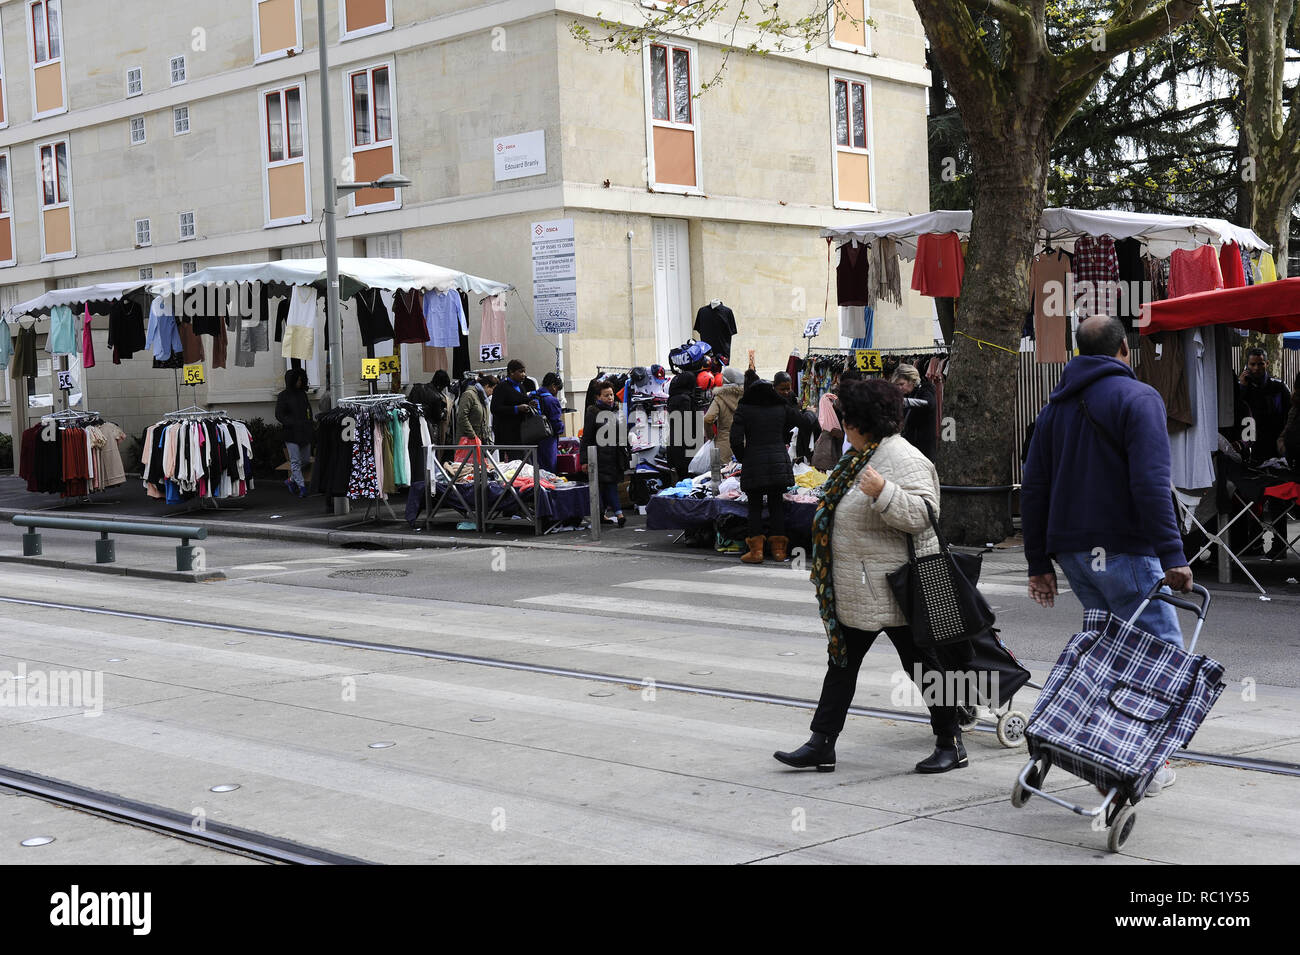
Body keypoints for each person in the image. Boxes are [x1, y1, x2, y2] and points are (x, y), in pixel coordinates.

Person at [1021, 314, 1192, 795]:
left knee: (1107, 655)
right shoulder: (1139, 398)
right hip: (1125, 548)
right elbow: (1151, 482)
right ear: (1124, 351)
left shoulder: (1054, 406)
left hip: (1074, 553)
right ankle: (1142, 764)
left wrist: (1038, 564)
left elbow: (1033, 488)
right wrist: (1173, 553)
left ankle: (1100, 751)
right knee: (1162, 657)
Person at [773, 379, 963, 773]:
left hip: (897, 588)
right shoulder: (861, 455)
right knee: (841, 664)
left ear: (864, 421)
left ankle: (951, 743)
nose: (843, 425)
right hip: (862, 588)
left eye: (847, 419)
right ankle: (822, 743)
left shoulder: (902, 458)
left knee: (923, 668)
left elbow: (924, 517)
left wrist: (884, 492)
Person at [731, 375, 804, 564]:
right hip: (778, 459)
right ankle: (779, 552)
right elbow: (798, 420)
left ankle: (756, 552)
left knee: (754, 506)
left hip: (754, 461)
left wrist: (743, 458)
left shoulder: (744, 409)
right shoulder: (780, 407)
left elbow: (735, 439)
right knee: (776, 504)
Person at [1235, 347, 1291, 467]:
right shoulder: (1242, 387)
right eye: (1253, 364)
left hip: (1274, 440)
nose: (1256, 368)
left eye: (1260, 364)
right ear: (1247, 366)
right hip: (1250, 441)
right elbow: (1235, 410)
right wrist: (1241, 388)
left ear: (1267, 364)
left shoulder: (1279, 387)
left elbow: (1290, 414)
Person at [583, 380, 627, 526]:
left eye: (612, 395)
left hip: (615, 456)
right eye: (606, 395)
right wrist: (584, 460)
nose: (610, 398)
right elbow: (587, 437)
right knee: (608, 485)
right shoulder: (593, 412)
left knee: (607, 486)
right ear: (598, 397)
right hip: (599, 456)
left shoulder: (616, 410)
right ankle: (619, 514)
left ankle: (602, 515)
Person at [275, 368, 313, 497]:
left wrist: (309, 424)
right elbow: (279, 415)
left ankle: (291, 480)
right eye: (298, 380)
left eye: (301, 380)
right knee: (296, 461)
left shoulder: (303, 394)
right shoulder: (283, 396)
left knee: (306, 460)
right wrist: (292, 422)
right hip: (291, 433)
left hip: (303, 432)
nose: (300, 382)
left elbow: (309, 412)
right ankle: (302, 487)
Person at [489, 359, 536, 459]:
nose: (523, 374)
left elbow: (522, 400)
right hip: (507, 435)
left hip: (522, 433)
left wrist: (529, 404)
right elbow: (495, 408)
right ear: (511, 372)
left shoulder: (522, 387)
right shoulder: (501, 388)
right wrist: (516, 409)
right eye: (521, 371)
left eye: (524, 371)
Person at [892, 363, 937, 460]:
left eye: (901, 384)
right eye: (897, 385)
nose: (899, 388)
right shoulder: (907, 395)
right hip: (909, 447)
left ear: (912, 381)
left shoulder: (926, 390)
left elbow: (929, 403)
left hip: (923, 449)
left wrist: (904, 402)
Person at [702, 365, 745, 463]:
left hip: (724, 444)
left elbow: (708, 418)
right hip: (743, 442)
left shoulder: (719, 398)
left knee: (724, 474)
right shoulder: (746, 397)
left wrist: (711, 435)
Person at [531, 372, 566, 472]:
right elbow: (556, 422)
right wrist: (561, 428)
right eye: (557, 389)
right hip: (548, 440)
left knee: (535, 469)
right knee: (549, 469)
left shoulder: (532, 396)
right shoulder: (551, 400)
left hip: (531, 438)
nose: (556, 392)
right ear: (553, 386)